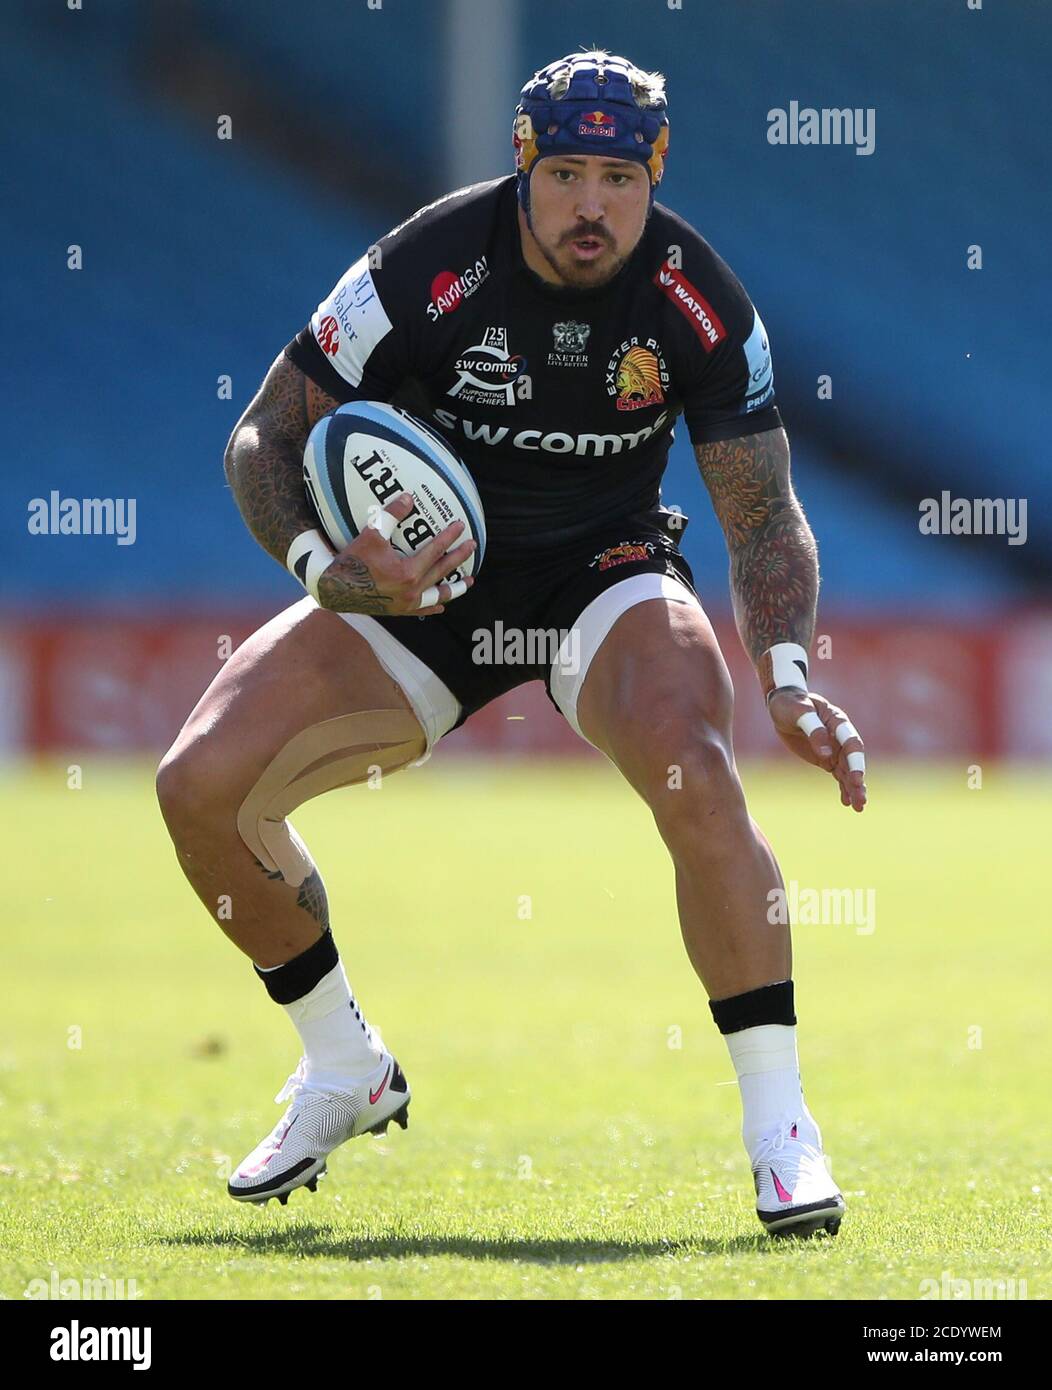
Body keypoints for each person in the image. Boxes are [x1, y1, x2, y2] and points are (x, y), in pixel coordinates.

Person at [156, 49, 866, 1236]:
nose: (594, 205)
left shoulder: (696, 299)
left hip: (607, 567)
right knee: (199, 789)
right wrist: (336, 573)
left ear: (655, 173)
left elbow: (759, 515)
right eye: (569, 174)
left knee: (693, 759)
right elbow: (263, 437)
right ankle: (344, 1066)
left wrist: (789, 677)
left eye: (620, 179)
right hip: (427, 582)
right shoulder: (425, 266)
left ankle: (780, 1133)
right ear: (524, 165)